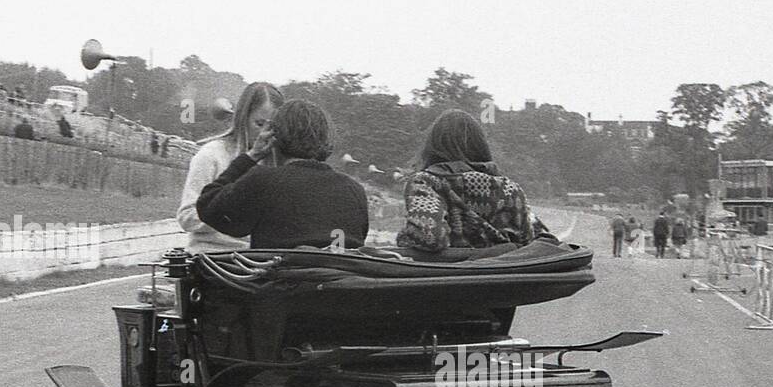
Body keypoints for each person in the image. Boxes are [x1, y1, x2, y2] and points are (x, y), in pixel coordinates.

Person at [196, 98, 369, 250]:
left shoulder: (262, 180)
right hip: (340, 284)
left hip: (279, 284)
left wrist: (251, 157)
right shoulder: (355, 191)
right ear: (326, 139)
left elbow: (207, 206)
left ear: (274, 138)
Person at [398, 109, 536, 253]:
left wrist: (404, 238)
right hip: (501, 274)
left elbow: (429, 237)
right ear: (481, 145)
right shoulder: (511, 189)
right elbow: (529, 246)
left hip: (452, 274)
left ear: (432, 147)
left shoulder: (427, 182)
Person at [178, 81, 284, 252]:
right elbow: (187, 217)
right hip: (213, 258)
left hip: (261, 260)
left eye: (271, 127)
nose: (264, 133)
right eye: (259, 123)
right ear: (243, 118)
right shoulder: (211, 154)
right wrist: (233, 215)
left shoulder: (277, 163)